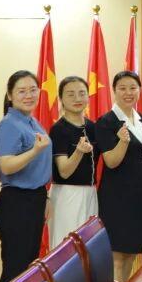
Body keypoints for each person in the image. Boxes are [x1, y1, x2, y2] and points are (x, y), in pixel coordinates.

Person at [0, 70, 51, 282]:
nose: (29, 95)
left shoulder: (30, 121)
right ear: (10, 95)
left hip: (34, 199)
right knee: (15, 271)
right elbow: (7, 166)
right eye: (22, 91)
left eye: (33, 90)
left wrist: (45, 196)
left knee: (27, 268)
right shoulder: (9, 124)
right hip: (17, 203)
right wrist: (35, 150)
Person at [95, 71, 142, 281]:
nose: (128, 93)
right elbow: (111, 161)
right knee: (117, 256)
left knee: (131, 254)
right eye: (122, 88)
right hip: (116, 195)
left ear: (139, 90)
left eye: (133, 88)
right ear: (114, 91)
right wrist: (123, 141)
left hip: (139, 194)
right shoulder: (106, 122)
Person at [47, 75, 100, 245]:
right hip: (67, 195)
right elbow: (64, 171)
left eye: (82, 93)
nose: (77, 98)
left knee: (88, 248)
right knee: (65, 248)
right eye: (70, 94)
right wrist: (78, 152)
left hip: (91, 193)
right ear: (61, 98)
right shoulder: (58, 129)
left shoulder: (92, 127)